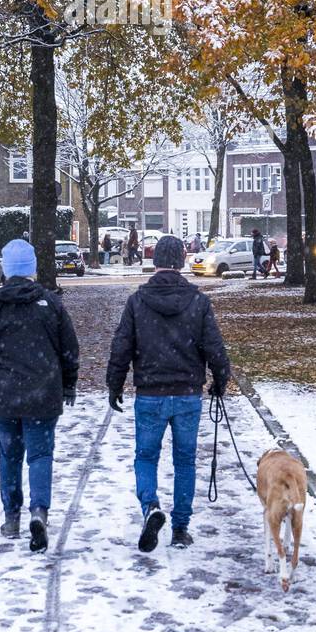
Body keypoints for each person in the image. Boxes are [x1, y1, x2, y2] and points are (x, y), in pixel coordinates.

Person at [106, 234, 230, 551]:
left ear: (156, 260)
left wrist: (115, 384)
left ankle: (150, 506)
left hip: (150, 391)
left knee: (146, 457)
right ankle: (180, 528)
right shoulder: (198, 302)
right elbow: (214, 347)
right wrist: (220, 380)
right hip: (187, 392)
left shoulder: (138, 301)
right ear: (181, 261)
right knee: (185, 461)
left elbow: (122, 346)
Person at [0, 239, 79, 553]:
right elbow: (69, 349)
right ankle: (39, 511)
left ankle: (12, 518)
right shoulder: (50, 303)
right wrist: (69, 384)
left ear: (6, 269)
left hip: (4, 396)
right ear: (32, 268)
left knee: (9, 456)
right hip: (43, 394)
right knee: (40, 455)